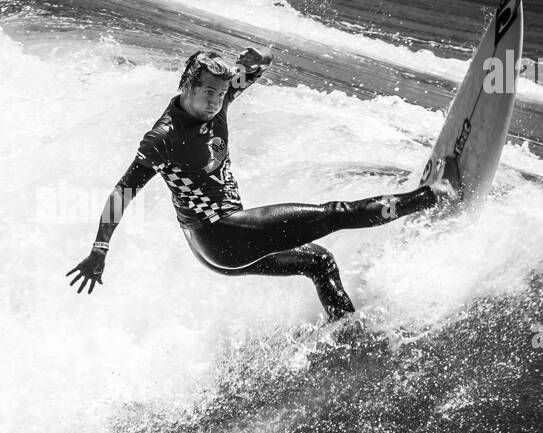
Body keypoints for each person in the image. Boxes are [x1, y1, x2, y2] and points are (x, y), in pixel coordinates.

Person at [66, 48, 457, 319]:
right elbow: (123, 191)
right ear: (185, 86)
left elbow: (255, 68)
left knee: (320, 262)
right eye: (207, 93)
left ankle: (346, 332)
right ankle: (432, 196)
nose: (216, 101)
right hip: (220, 238)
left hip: (222, 245)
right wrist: (100, 248)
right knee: (335, 214)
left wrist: (261, 59)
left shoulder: (218, 99)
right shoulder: (164, 138)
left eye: (221, 94)